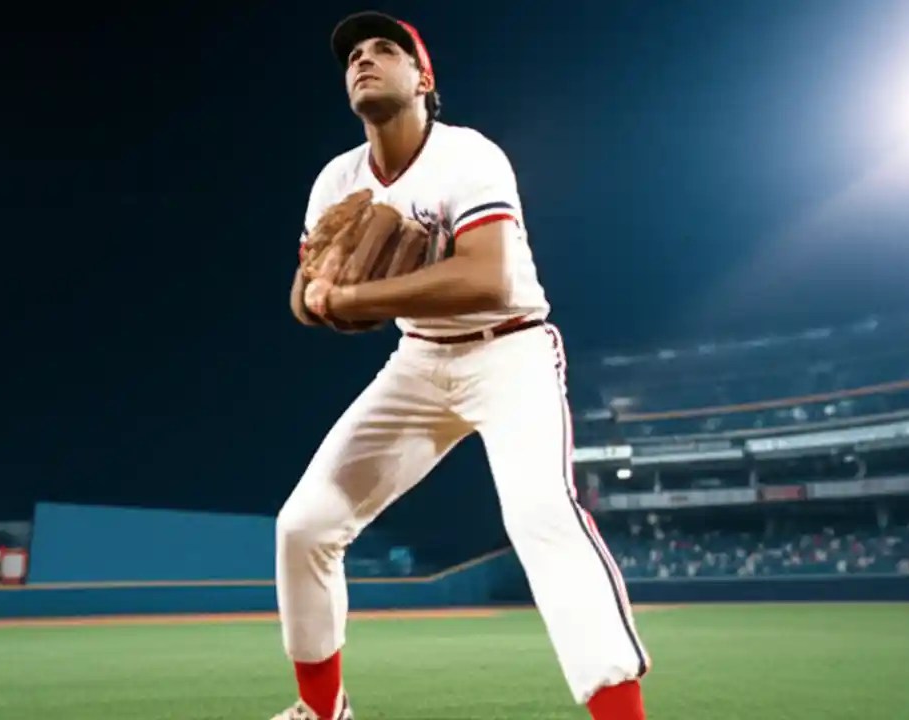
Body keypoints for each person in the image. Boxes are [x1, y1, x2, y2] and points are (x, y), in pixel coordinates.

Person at [273, 11, 651, 720]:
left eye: (385, 49)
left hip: (510, 352)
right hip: (417, 361)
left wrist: (353, 292)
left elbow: (490, 279)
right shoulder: (336, 179)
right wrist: (321, 297)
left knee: (543, 514)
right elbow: (303, 296)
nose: (363, 59)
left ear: (424, 78)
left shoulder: (468, 156)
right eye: (353, 53)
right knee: (304, 525)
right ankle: (323, 713)